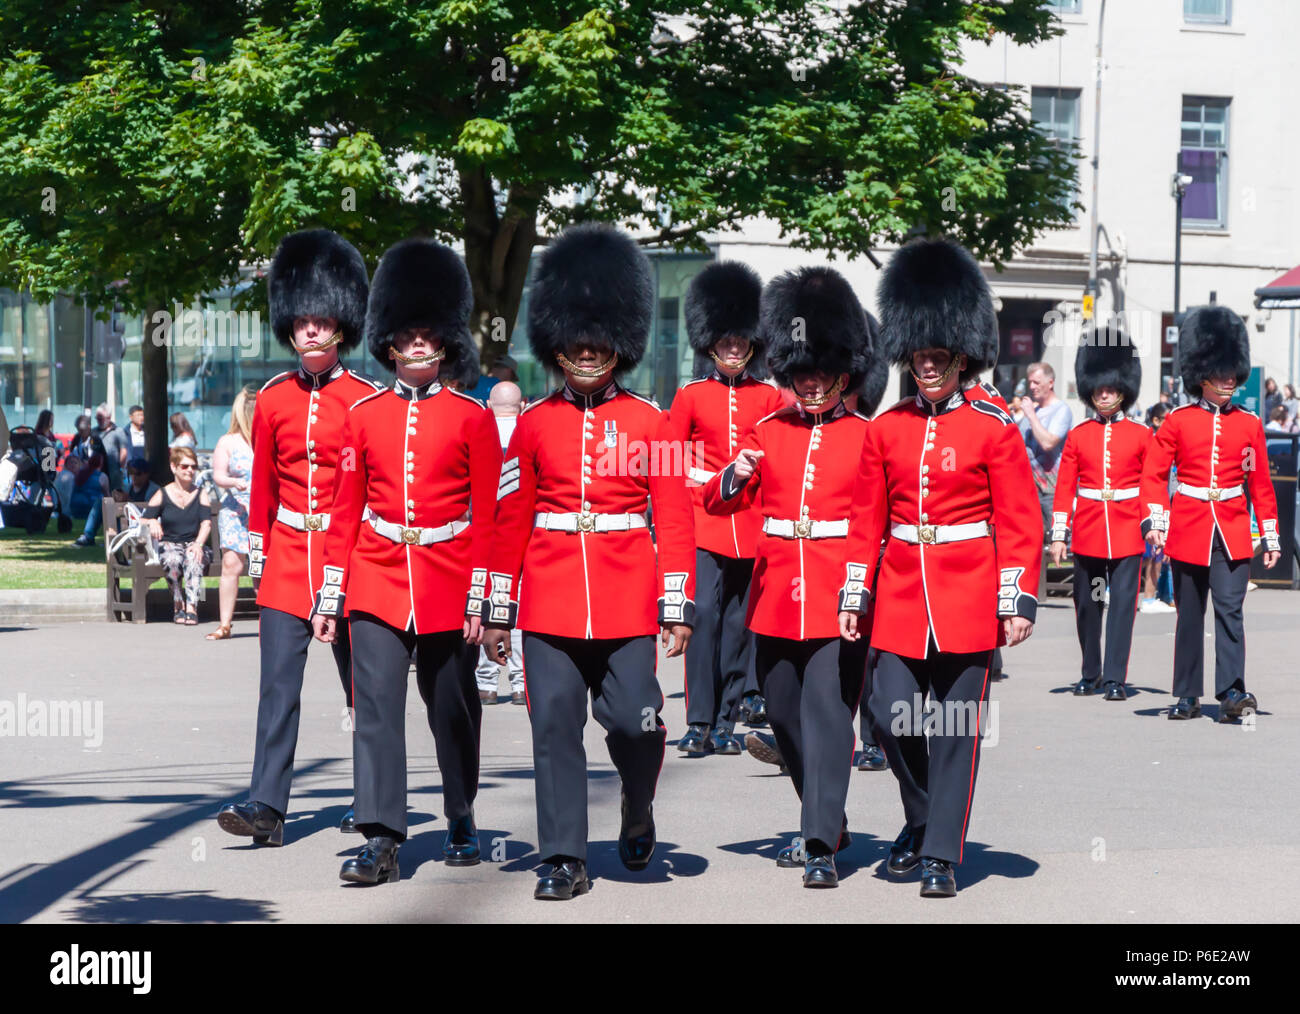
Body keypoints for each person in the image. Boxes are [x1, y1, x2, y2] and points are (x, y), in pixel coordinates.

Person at [481, 224, 696, 901]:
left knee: (639, 720)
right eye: (576, 342)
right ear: (558, 343)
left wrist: (676, 602)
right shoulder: (536, 424)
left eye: (599, 342)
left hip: (628, 595)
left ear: (619, 344)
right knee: (552, 725)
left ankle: (638, 801)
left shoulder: (651, 422)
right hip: (548, 598)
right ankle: (564, 856)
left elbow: (676, 514)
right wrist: (495, 605)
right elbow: (509, 519)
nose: (586, 353)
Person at [838, 238, 1042, 898]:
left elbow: (1018, 520)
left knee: (957, 731)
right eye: (919, 354)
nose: (927, 364)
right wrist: (854, 590)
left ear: (960, 354)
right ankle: (925, 820)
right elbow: (866, 519)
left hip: (968, 592)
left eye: (938, 354)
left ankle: (941, 856)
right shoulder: (887, 427)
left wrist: (1016, 599)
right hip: (898, 594)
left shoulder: (994, 425)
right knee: (891, 711)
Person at [316, 238, 498, 885]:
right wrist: (331, 594)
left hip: (450, 579)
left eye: (430, 335)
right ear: (389, 344)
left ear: (445, 343)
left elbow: (487, 518)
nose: (418, 345)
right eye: (407, 336)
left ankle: (459, 809)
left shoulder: (474, 418)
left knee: (451, 706)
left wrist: (485, 597)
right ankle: (382, 836)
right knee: (375, 708)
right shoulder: (362, 417)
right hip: (376, 575)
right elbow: (345, 510)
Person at [704, 266, 874, 889]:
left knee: (829, 717)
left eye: (819, 371)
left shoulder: (865, 436)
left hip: (836, 593)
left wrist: (858, 589)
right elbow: (716, 501)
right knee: (782, 713)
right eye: (799, 372)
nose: (809, 381)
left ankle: (819, 842)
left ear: (841, 373)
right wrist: (734, 473)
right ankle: (828, 817)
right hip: (777, 593)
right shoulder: (767, 430)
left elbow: (870, 521)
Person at [216, 229, 383, 848]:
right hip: (288, 555)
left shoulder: (365, 398)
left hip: (351, 560)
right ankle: (267, 804)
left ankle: (372, 799)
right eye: (302, 320)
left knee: (361, 687)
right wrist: (258, 546)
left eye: (322, 320)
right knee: (277, 686)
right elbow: (263, 485)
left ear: (340, 326)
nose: (311, 331)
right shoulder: (274, 400)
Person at [664, 261, 784, 758]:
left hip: (753, 522)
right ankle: (697, 720)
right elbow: (671, 461)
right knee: (705, 618)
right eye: (726, 342)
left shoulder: (770, 396)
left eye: (741, 342)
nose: (734, 350)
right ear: (711, 344)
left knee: (741, 624)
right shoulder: (691, 395)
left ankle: (726, 723)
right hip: (704, 518)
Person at [1142, 306, 1281, 722]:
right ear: (1201, 375)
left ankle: (1232, 691)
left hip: (1234, 528)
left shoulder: (1250, 424)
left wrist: (1270, 535)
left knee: (1230, 609)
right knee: (1189, 614)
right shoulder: (1179, 421)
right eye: (1220, 374)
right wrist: (1156, 521)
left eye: (1232, 375)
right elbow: (1153, 472)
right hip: (1188, 525)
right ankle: (1186, 694)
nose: (1228, 382)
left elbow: (1260, 485)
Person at [1049, 330, 1151, 701]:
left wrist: (1153, 525)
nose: (1104, 394)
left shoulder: (1142, 435)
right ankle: (1090, 672)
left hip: (1126, 532)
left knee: (1123, 608)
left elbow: (1150, 484)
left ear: (1123, 388)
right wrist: (1059, 534)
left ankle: (1114, 678)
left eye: (1110, 387)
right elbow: (1065, 486)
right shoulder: (1078, 435)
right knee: (1088, 607)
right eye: (1098, 388)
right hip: (1090, 531)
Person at [475, 381, 527, 704]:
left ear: (489, 405)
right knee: (518, 608)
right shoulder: (529, 429)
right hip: (520, 533)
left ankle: (487, 682)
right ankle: (521, 681)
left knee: (487, 604)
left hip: (487, 532)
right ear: (521, 406)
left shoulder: (480, 430)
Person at [207, 386, 256, 641]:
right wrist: (234, 483)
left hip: (262, 509)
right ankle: (225, 623)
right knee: (231, 565)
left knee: (263, 566)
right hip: (236, 510)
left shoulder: (265, 439)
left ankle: (269, 621)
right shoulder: (228, 441)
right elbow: (218, 475)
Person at [143, 445, 213, 624]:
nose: (190, 470)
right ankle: (177, 602)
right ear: (174, 467)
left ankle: (191, 607)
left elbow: (206, 523)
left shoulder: (200, 494)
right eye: (185, 466)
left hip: (193, 543)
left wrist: (198, 543)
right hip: (170, 544)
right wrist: (152, 521)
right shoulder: (163, 493)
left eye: (193, 466)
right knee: (172, 558)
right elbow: (143, 519)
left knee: (193, 557)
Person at [1018, 361, 1074, 536]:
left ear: (1050, 383)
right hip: (1029, 489)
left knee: (1058, 541)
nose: (1032, 387)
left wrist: (1031, 415)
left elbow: (1048, 443)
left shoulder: (1061, 410)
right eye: (1030, 382)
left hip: (1052, 490)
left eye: (1036, 382)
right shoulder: (1031, 412)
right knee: (1033, 541)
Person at [55, 414, 109, 547]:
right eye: (78, 429)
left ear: (89, 427)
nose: (80, 432)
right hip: (77, 471)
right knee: (63, 480)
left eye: (83, 430)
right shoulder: (77, 438)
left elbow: (96, 460)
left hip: (90, 472)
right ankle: (64, 512)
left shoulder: (94, 440)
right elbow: (72, 454)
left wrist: (81, 465)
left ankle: (69, 513)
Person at [94, 403, 129, 494]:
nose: (98, 421)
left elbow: (124, 451)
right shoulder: (94, 432)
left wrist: (120, 468)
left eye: (100, 418)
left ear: (109, 417)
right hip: (96, 472)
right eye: (97, 418)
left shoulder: (118, 432)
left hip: (113, 473)